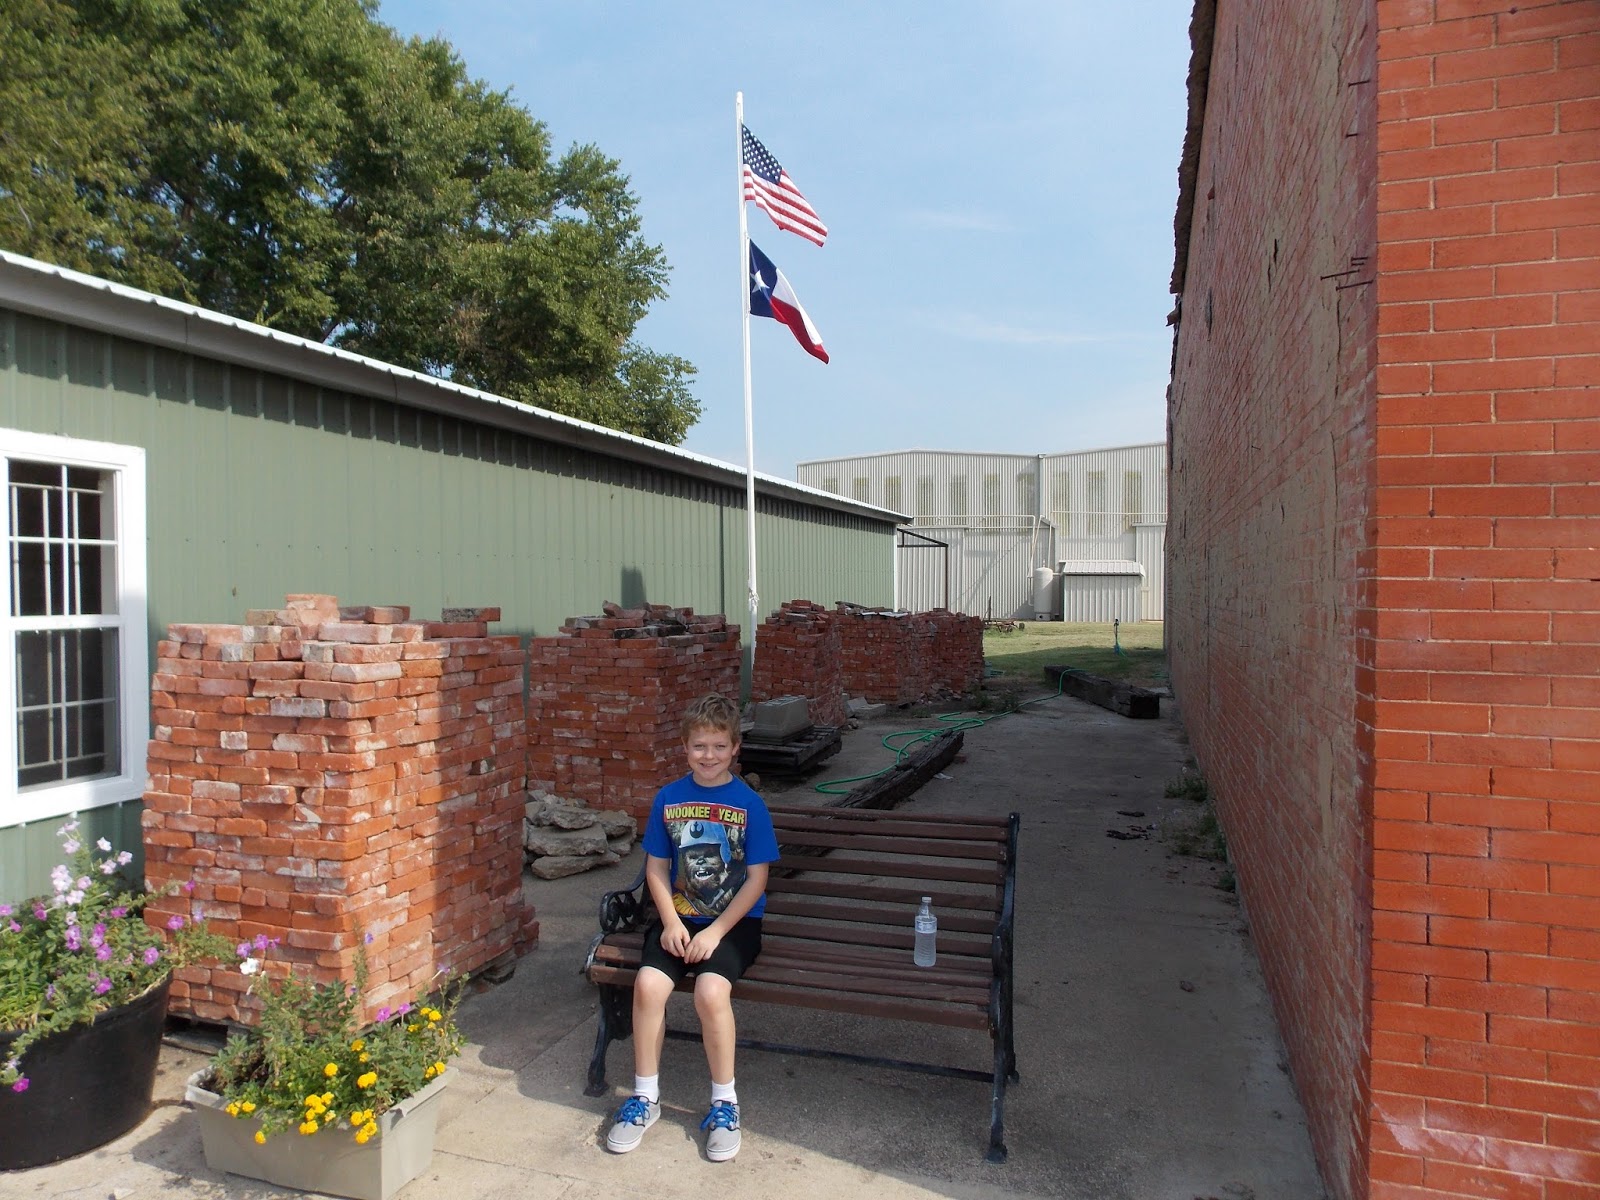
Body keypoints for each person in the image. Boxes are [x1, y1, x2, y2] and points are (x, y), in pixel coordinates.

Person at [605, 694, 779, 1163]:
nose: (709, 756)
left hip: (733, 925)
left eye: (718, 746)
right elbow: (657, 869)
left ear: (735, 748)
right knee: (647, 985)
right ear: (684, 749)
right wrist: (669, 921)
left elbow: (757, 878)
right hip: (678, 921)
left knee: (709, 993)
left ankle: (725, 1103)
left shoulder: (749, 805)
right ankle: (645, 1096)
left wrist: (715, 932)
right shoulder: (669, 798)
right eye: (699, 746)